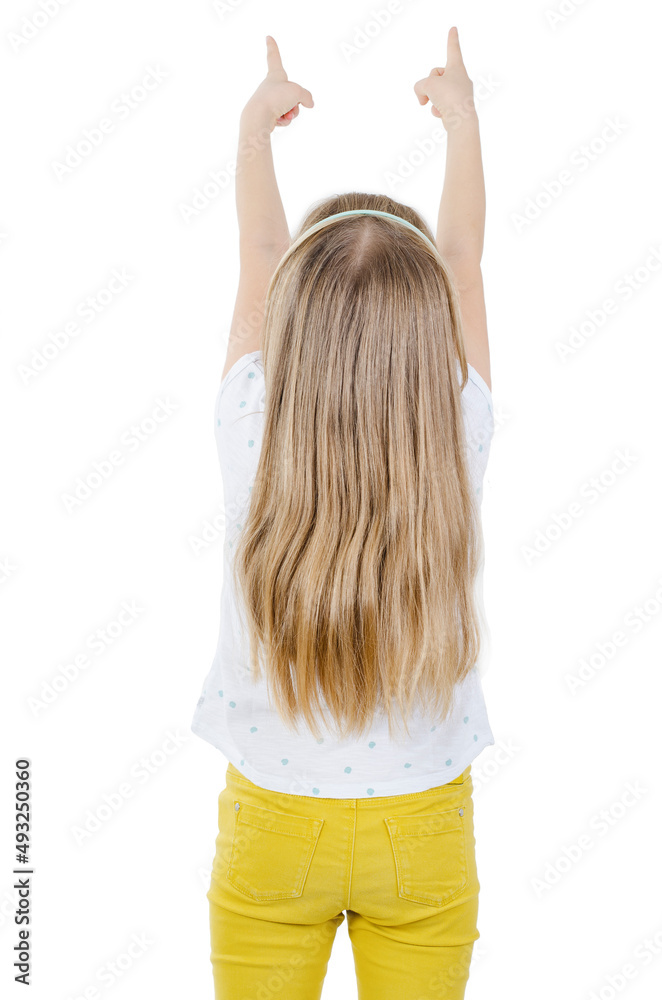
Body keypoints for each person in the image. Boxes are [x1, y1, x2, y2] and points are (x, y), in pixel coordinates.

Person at [191, 27, 494, 999]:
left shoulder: (252, 427)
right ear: (430, 348)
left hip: (274, 827)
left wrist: (255, 127)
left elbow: (260, 249)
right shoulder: (454, 430)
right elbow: (462, 255)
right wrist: (462, 121)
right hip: (422, 828)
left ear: (288, 331)